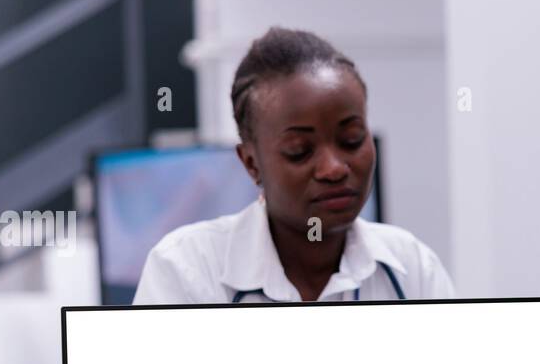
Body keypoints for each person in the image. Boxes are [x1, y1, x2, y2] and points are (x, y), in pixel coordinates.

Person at [134, 27, 454, 304]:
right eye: (299, 151)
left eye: (352, 139)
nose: (334, 168)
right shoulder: (186, 269)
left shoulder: (412, 268)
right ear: (251, 163)